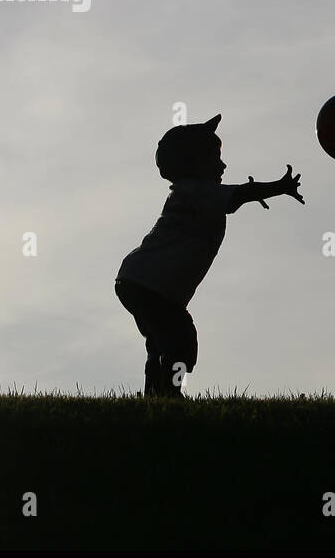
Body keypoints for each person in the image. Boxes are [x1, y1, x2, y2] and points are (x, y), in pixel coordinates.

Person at [115, 114, 304, 397]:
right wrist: (278, 186)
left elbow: (238, 196)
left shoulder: (194, 193)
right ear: (193, 164)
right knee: (180, 341)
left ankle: (155, 395)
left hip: (140, 281)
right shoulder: (196, 192)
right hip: (149, 283)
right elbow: (240, 194)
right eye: (215, 158)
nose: (223, 165)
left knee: (161, 342)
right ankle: (168, 393)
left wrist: (252, 194)